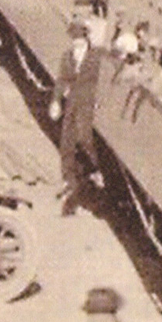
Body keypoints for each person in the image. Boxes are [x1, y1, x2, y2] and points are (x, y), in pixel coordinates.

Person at [51, 20, 103, 214]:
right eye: (74, 40)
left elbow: (102, 82)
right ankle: (69, 180)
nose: (76, 43)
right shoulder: (67, 57)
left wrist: (100, 100)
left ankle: (94, 170)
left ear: (86, 39)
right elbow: (61, 80)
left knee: (85, 138)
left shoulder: (96, 57)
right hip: (73, 102)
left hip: (89, 103)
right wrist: (55, 101)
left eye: (79, 39)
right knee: (67, 142)